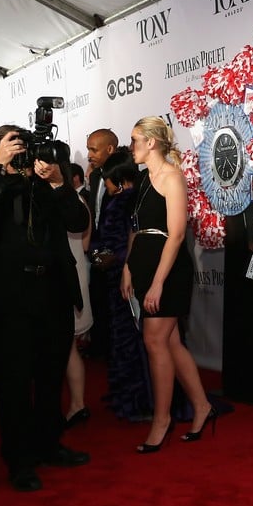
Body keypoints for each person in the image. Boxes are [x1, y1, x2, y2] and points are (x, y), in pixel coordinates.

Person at [0, 126, 90, 492]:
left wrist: (56, 181)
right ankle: (19, 460)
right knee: (15, 383)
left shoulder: (44, 179)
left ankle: (49, 445)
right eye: (11, 147)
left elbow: (77, 222)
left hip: (52, 290)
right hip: (10, 297)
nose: (21, 153)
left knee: (51, 376)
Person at [121, 117, 215, 452]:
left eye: (135, 140)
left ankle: (162, 420)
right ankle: (202, 406)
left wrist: (158, 283)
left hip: (169, 270)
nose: (131, 146)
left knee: (155, 342)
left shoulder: (173, 177)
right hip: (145, 266)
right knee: (171, 343)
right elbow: (137, 228)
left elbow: (175, 235)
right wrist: (128, 269)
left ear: (152, 142)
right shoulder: (145, 178)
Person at [96, 151, 153, 421]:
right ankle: (130, 397)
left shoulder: (128, 202)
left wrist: (115, 260)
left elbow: (133, 241)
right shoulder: (118, 201)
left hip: (127, 280)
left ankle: (139, 400)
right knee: (127, 339)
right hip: (117, 278)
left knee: (132, 339)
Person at [84, 127, 119, 360]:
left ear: (110, 149)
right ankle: (101, 349)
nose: (89, 155)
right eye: (88, 149)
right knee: (98, 300)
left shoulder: (124, 174)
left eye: (94, 150)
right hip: (96, 247)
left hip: (116, 250)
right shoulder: (95, 175)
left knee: (116, 305)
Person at [63, 163, 93, 427]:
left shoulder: (52, 201)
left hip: (62, 280)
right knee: (69, 345)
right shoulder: (80, 200)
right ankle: (77, 403)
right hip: (78, 274)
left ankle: (76, 403)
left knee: (65, 345)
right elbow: (84, 244)